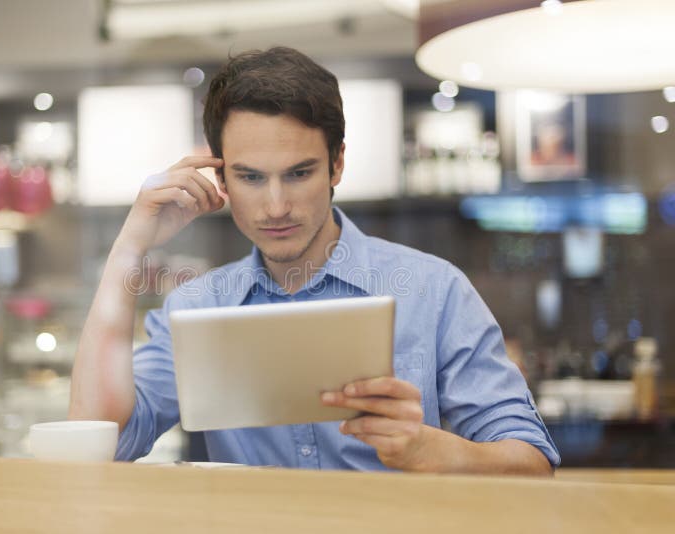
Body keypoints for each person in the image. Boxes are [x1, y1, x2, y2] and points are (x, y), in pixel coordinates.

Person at [69, 47, 560, 474]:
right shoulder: (195, 308)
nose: (276, 206)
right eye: (251, 178)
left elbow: (532, 462)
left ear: (337, 164)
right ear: (222, 179)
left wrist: (433, 450)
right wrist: (129, 247)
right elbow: (100, 442)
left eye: (299, 173)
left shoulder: (434, 291)